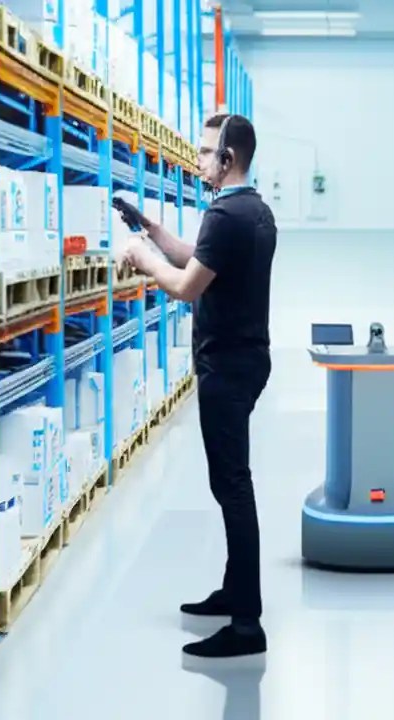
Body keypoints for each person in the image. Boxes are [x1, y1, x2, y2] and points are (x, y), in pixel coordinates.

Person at [116, 113, 277, 661]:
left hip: (226, 369)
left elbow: (186, 287)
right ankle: (235, 591)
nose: (199, 159)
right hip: (247, 361)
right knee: (230, 483)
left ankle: (247, 623)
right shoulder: (253, 211)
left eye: (208, 152)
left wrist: (142, 258)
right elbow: (204, 262)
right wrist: (154, 231)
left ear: (229, 159)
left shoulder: (225, 214)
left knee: (232, 486)